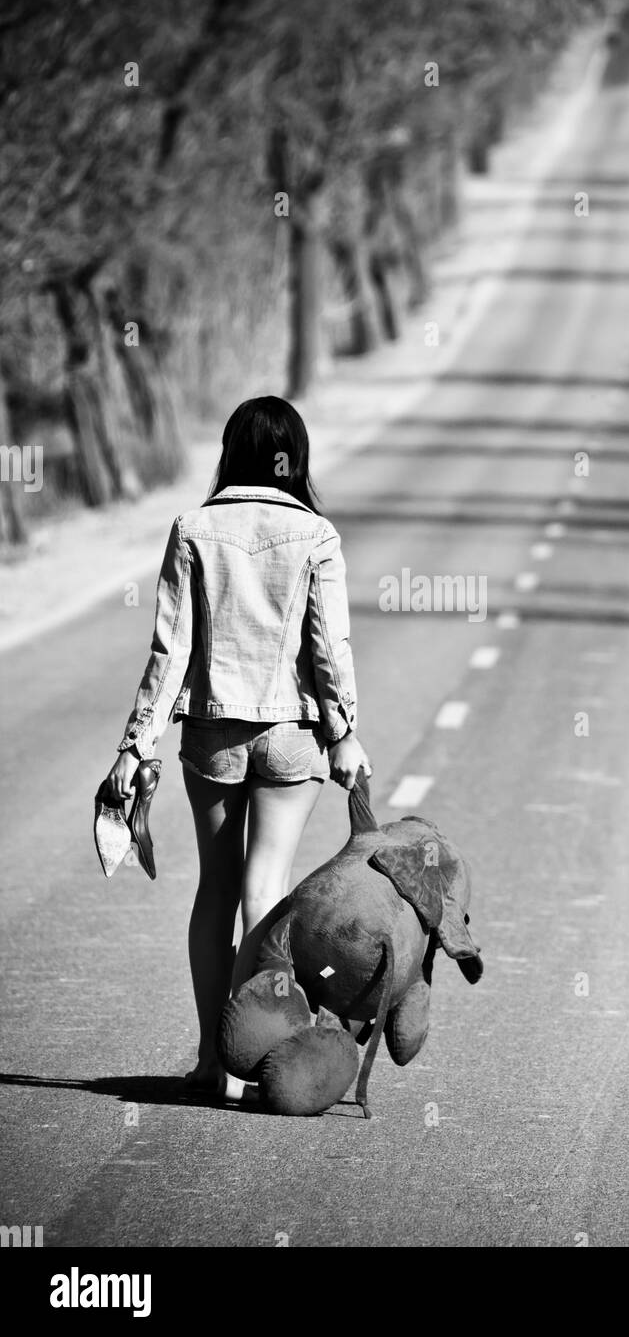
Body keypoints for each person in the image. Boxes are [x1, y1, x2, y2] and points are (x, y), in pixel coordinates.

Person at [101, 396, 371, 1097]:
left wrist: (135, 746)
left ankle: (209, 1060)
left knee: (215, 889)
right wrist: (343, 732)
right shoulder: (317, 535)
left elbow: (170, 650)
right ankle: (255, 1054)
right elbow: (328, 649)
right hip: (292, 738)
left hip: (212, 738)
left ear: (232, 453)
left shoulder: (194, 527)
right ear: (295, 460)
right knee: (266, 888)